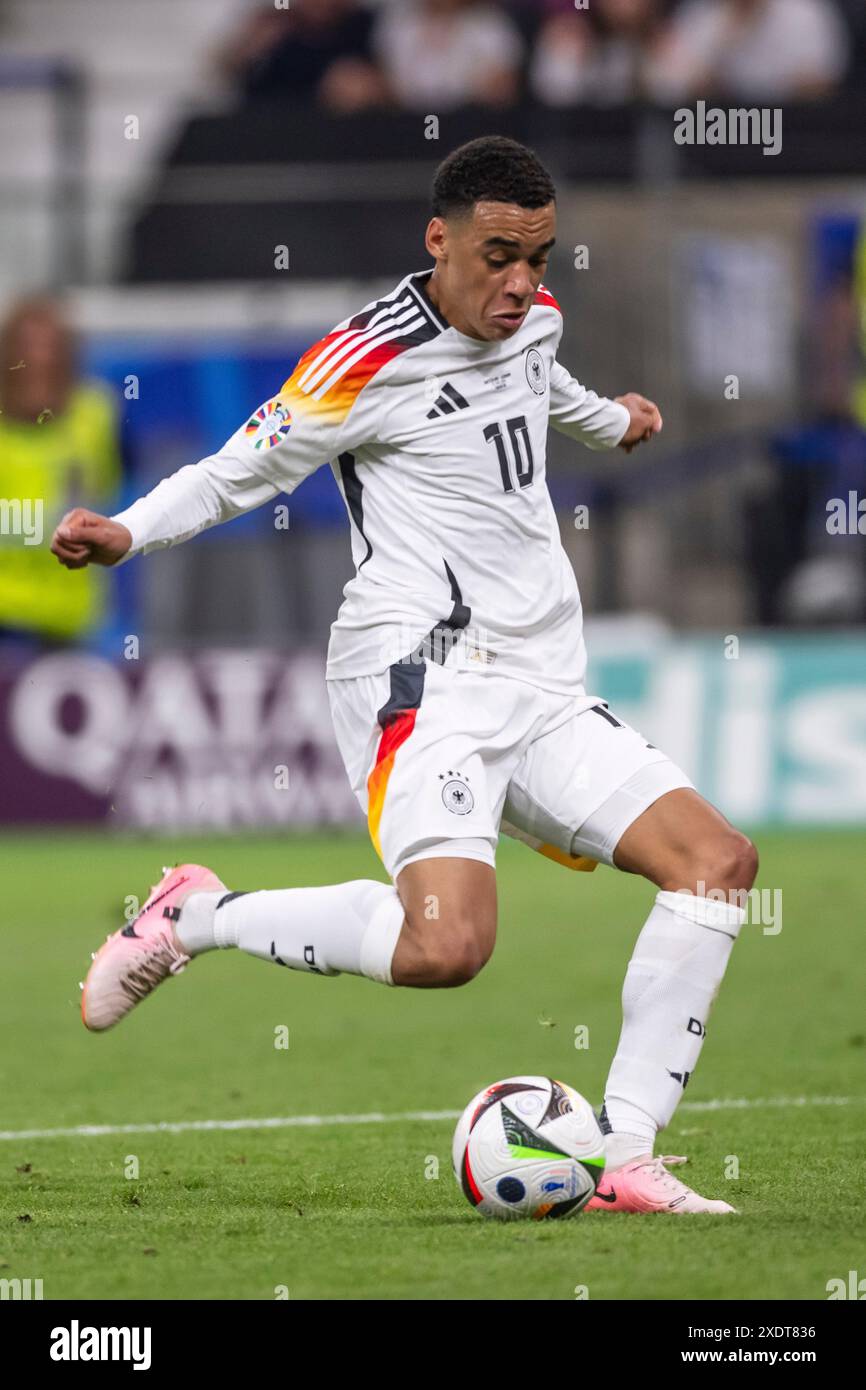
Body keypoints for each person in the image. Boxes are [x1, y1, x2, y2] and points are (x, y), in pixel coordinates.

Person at [53, 136, 757, 1216]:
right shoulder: (361, 362)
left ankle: (620, 1153)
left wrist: (614, 422)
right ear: (439, 240)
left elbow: (544, 386)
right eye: (496, 256)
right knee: (445, 947)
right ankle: (197, 915)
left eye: (540, 257)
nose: (521, 282)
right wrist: (128, 532)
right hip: (417, 673)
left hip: (543, 684)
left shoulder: (534, 323)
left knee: (714, 863)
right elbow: (239, 464)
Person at [0, 297, 121, 648]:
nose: (40, 359)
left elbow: (118, 495)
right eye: (27, 349)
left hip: (72, 621)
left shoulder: (97, 415)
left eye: (51, 348)